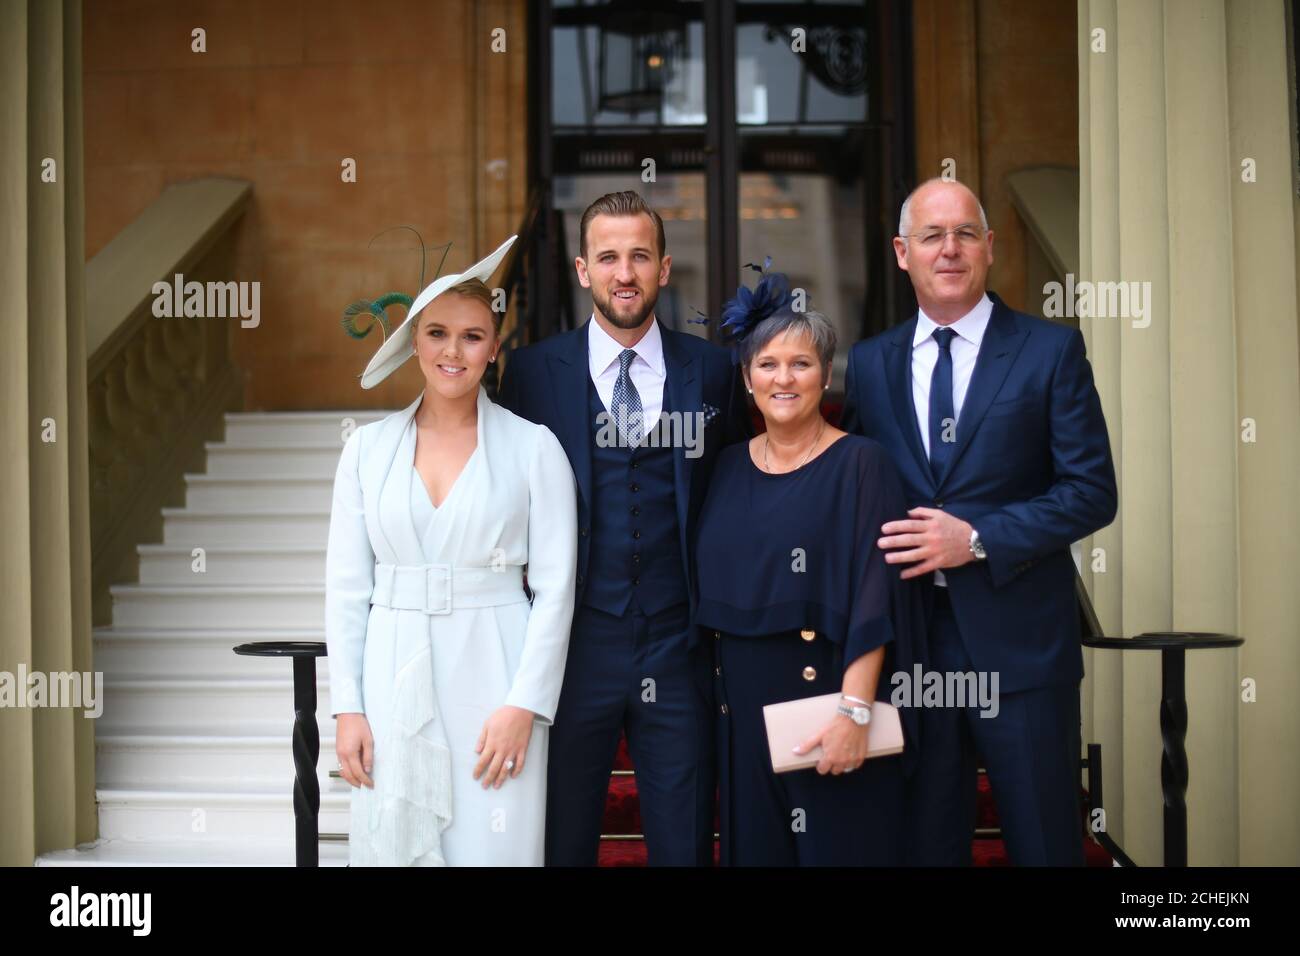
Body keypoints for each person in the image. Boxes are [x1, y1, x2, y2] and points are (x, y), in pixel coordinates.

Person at [840, 178, 1118, 865]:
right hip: (910, 648)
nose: (950, 249)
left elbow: (1092, 492)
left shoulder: (1050, 352)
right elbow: (857, 492)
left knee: (1044, 844)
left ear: (989, 247)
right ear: (903, 253)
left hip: (1021, 647)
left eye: (966, 233)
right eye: (932, 236)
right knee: (927, 847)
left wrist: (979, 539)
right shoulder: (871, 363)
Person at [497, 191, 751, 865]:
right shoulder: (529, 375)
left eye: (640, 255)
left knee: (685, 836)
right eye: (607, 257)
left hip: (679, 641)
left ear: (665, 267)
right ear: (583, 270)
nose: (624, 272)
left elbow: (741, 493)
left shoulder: (716, 372)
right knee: (562, 836)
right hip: (575, 643)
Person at [325, 235, 578, 866]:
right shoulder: (365, 450)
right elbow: (347, 588)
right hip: (391, 671)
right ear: (415, 341)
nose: (453, 351)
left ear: (494, 348)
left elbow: (555, 588)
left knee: (493, 841)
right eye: (437, 333)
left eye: (472, 336)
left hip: (495, 666)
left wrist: (526, 704)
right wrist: (348, 707)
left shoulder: (534, 448)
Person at [693, 270, 921, 865]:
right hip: (741, 715)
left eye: (801, 364)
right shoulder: (723, 468)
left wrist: (854, 710)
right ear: (746, 379)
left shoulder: (862, 464)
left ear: (826, 376)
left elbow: (877, 595)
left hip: (828, 707)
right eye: (767, 364)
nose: (784, 378)